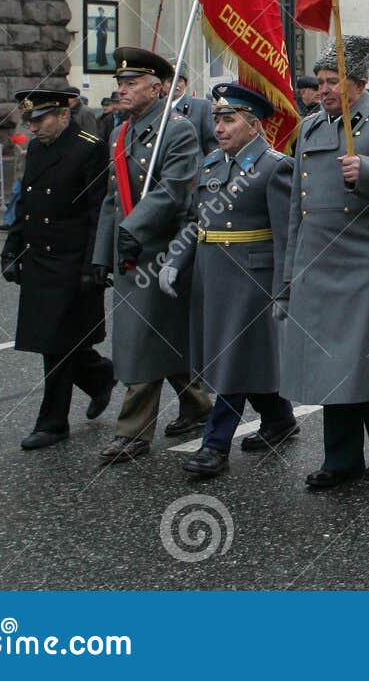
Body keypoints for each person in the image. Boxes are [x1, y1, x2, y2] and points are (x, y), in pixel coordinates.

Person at [281, 36, 369, 490]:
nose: (321, 90)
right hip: (319, 261)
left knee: (366, 360)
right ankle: (341, 459)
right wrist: (288, 276)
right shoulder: (310, 128)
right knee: (328, 364)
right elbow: (295, 211)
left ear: (358, 83)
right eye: (319, 82)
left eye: (331, 81)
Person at [158, 83, 297, 478]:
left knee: (232, 359)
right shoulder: (209, 165)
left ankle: (215, 445)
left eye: (229, 120)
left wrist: (285, 287)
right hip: (211, 273)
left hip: (252, 277)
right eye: (217, 120)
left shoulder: (274, 166)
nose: (220, 127)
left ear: (253, 125)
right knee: (237, 354)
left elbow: (288, 233)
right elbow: (195, 220)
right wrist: (176, 260)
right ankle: (279, 418)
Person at [93, 47, 213, 465]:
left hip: (163, 248)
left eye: (131, 84)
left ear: (158, 87)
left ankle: (132, 432)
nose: (122, 90)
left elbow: (175, 189)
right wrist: (101, 253)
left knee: (142, 337)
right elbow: (113, 198)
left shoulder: (175, 130)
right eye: (120, 84)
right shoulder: (119, 132)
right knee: (161, 335)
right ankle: (200, 404)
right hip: (130, 250)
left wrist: (133, 230)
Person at [0, 89, 115, 449]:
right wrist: (12, 248)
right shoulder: (37, 148)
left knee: (57, 345)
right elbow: (27, 202)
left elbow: (99, 211)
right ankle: (100, 377)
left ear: (64, 115)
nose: (34, 128)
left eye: (41, 120)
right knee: (58, 340)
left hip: (71, 259)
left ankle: (52, 423)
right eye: (30, 121)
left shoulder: (88, 147)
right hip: (40, 258)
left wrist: (95, 263)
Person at [171, 69, 219, 156]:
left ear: (186, 84)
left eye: (179, 81)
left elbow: (211, 143)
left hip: (195, 166)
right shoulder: (158, 107)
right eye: (170, 81)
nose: (175, 85)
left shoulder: (201, 106)